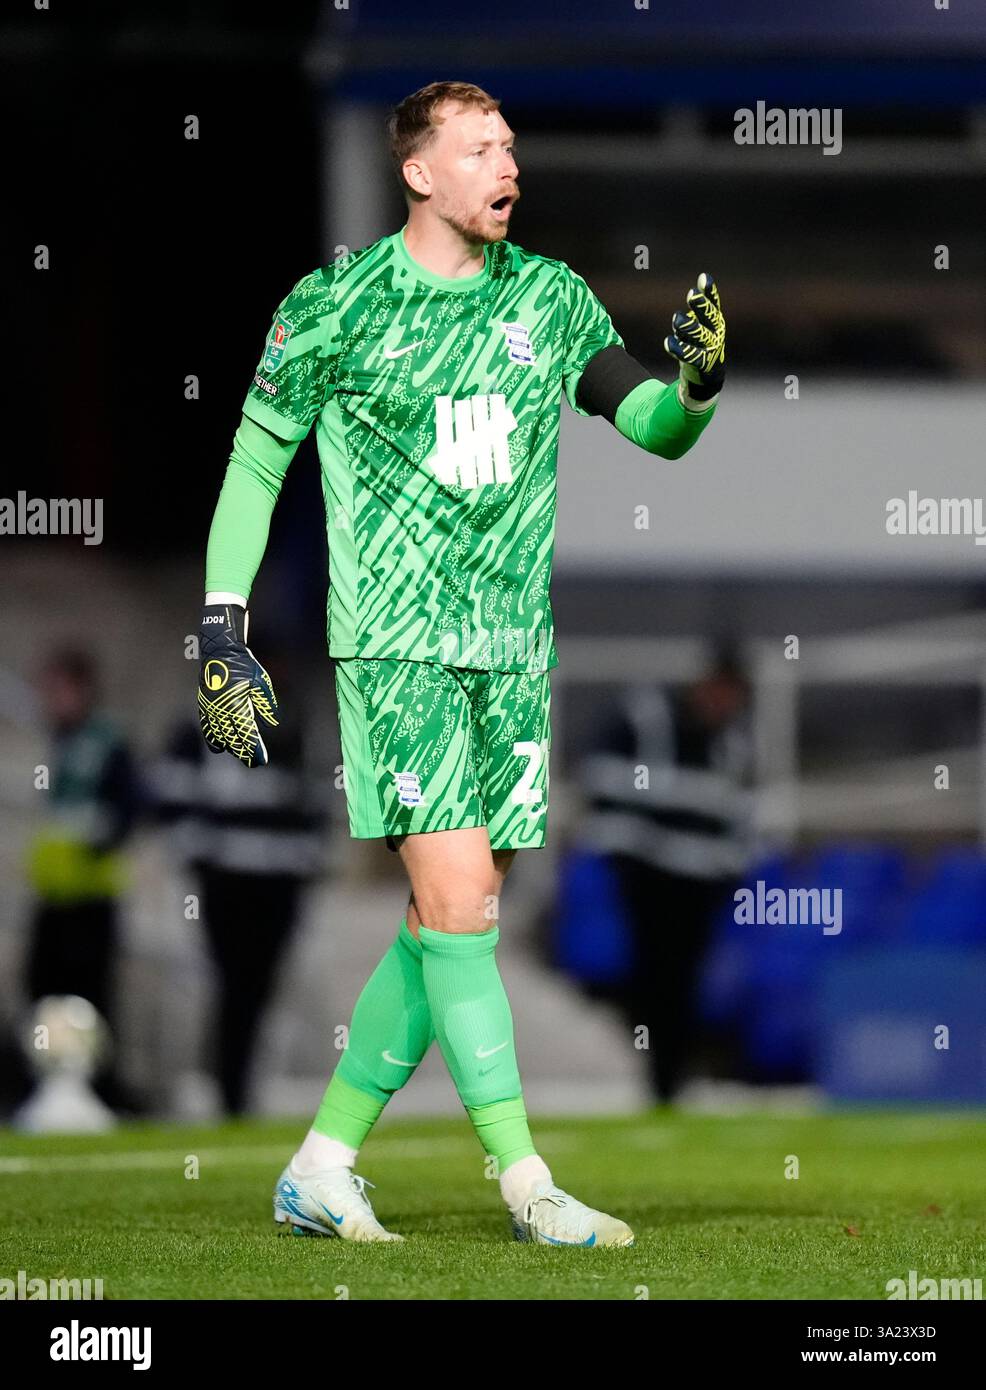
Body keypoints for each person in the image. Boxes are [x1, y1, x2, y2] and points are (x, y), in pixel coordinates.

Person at [196, 80, 725, 1246]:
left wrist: (692, 391)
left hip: (509, 651)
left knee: (454, 913)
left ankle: (322, 1164)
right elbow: (253, 461)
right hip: (395, 645)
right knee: (456, 900)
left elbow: (650, 429)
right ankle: (528, 1186)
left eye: (513, 146)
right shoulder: (334, 305)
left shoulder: (549, 297)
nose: (508, 165)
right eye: (481, 147)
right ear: (418, 171)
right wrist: (221, 626)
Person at [154, 654, 328, 1116]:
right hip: (225, 880)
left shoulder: (295, 721)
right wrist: (195, 854)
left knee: (258, 986)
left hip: (279, 884)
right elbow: (171, 792)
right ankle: (223, 1087)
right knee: (228, 983)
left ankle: (237, 1088)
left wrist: (307, 861)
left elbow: (317, 799)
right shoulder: (206, 719)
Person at [580, 651, 754, 1104]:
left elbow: (736, 818)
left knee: (684, 982)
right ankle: (656, 1073)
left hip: (700, 888)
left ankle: (670, 1081)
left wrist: (727, 873)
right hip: (648, 878)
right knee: (650, 975)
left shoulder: (731, 744)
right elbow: (600, 780)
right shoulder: (647, 719)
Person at [23, 647, 143, 1114]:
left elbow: (131, 804)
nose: (50, 698)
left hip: (91, 896)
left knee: (91, 997)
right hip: (53, 895)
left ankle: (95, 1093)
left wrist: (101, 844)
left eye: (58, 687)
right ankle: (44, 1086)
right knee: (40, 990)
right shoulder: (59, 740)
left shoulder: (105, 741)